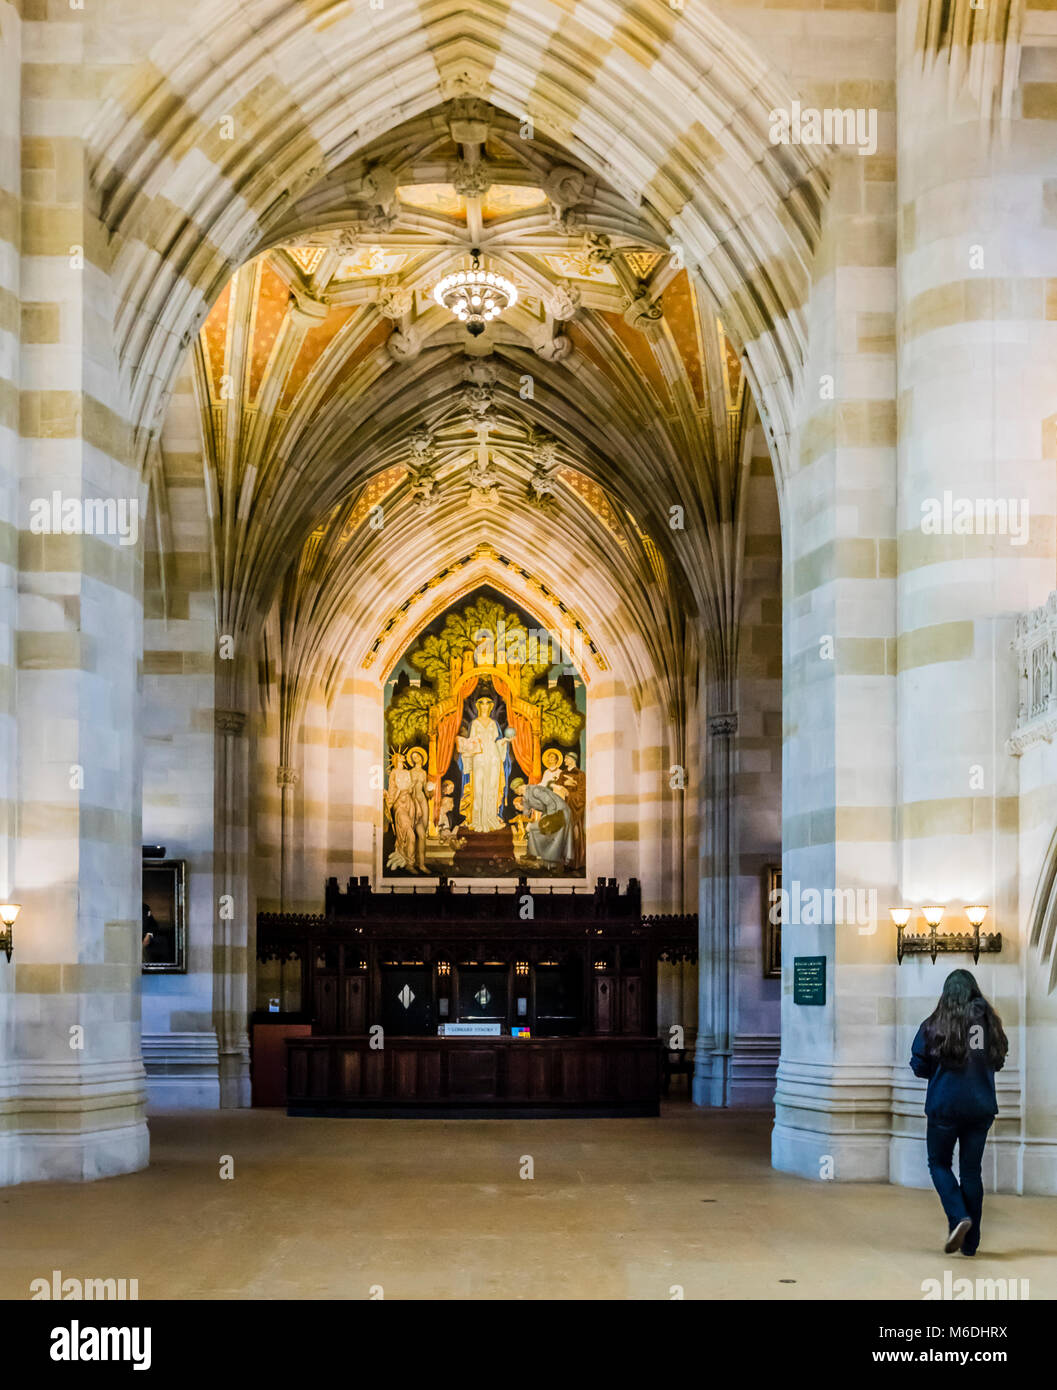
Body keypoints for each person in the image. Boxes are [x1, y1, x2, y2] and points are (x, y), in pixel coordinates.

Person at [910, 968, 1008, 1255]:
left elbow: (918, 1064)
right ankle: (971, 1243)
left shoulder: (934, 1023)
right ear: (974, 991)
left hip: (944, 1106)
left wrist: (938, 1071)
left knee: (938, 1164)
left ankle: (958, 1216)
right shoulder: (991, 1023)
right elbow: (999, 1058)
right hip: (981, 1107)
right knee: (971, 1171)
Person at [509, 777, 574, 869]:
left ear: (520, 787)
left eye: (515, 790)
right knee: (533, 828)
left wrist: (548, 819)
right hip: (550, 813)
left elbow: (551, 803)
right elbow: (526, 813)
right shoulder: (525, 797)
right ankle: (532, 853)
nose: (515, 792)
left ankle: (554, 863)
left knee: (552, 834)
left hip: (559, 812)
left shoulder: (535, 790)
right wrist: (521, 820)